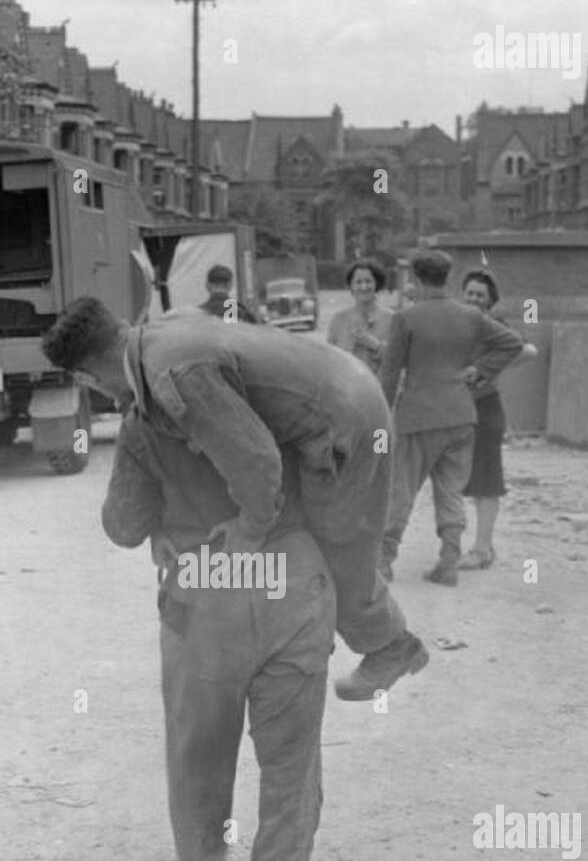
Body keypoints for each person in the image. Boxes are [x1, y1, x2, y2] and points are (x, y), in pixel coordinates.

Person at [42, 300, 337, 861]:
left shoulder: (147, 421)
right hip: (295, 584)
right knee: (291, 756)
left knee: (198, 741)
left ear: (93, 373)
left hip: (205, 600)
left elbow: (123, 528)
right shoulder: (266, 396)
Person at [43, 298, 428, 706]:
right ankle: (315, 639)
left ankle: (390, 646)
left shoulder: (173, 375)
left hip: (346, 417)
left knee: (337, 536)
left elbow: (258, 461)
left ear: (87, 378)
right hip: (339, 383)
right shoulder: (163, 333)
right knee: (311, 532)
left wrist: (249, 528)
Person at [379, 250, 524, 586]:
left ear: (416, 278)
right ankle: (448, 560)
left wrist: (382, 417)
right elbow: (513, 344)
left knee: (401, 491)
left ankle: (384, 562)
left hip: (418, 416)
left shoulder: (406, 318)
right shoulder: (470, 316)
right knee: (451, 491)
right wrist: (479, 371)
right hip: (460, 413)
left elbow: (389, 374)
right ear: (447, 277)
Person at [458, 269, 537, 569]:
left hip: (486, 409)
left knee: (486, 482)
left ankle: (481, 549)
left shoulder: (496, 327)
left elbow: (529, 350)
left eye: (480, 295)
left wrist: (490, 370)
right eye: (469, 293)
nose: (474, 298)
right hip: (457, 410)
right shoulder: (456, 324)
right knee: (463, 481)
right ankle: (484, 545)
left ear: (490, 301)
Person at [327, 258, 389, 380]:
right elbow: (329, 361)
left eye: (368, 281)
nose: (364, 286)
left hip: (380, 393)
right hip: (347, 391)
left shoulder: (393, 319)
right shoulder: (338, 320)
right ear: (350, 286)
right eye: (358, 282)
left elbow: (400, 361)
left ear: (377, 283)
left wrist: (376, 346)